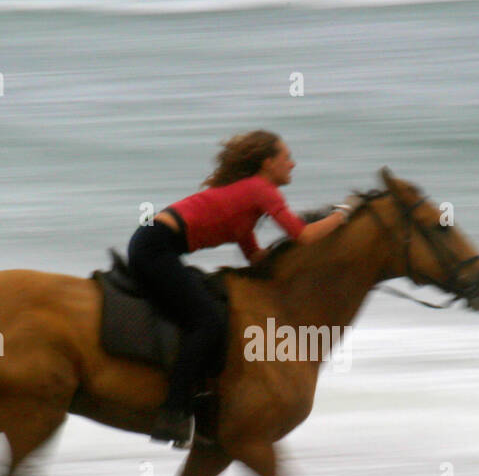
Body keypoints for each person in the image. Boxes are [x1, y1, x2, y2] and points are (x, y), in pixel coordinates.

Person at [127, 130, 348, 447]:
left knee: (212, 313)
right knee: (206, 322)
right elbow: (303, 235)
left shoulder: (249, 202)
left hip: (159, 245)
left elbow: (256, 257)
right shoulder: (261, 189)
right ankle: (173, 414)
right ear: (268, 163)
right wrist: (343, 216)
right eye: (286, 158)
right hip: (154, 246)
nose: (293, 164)